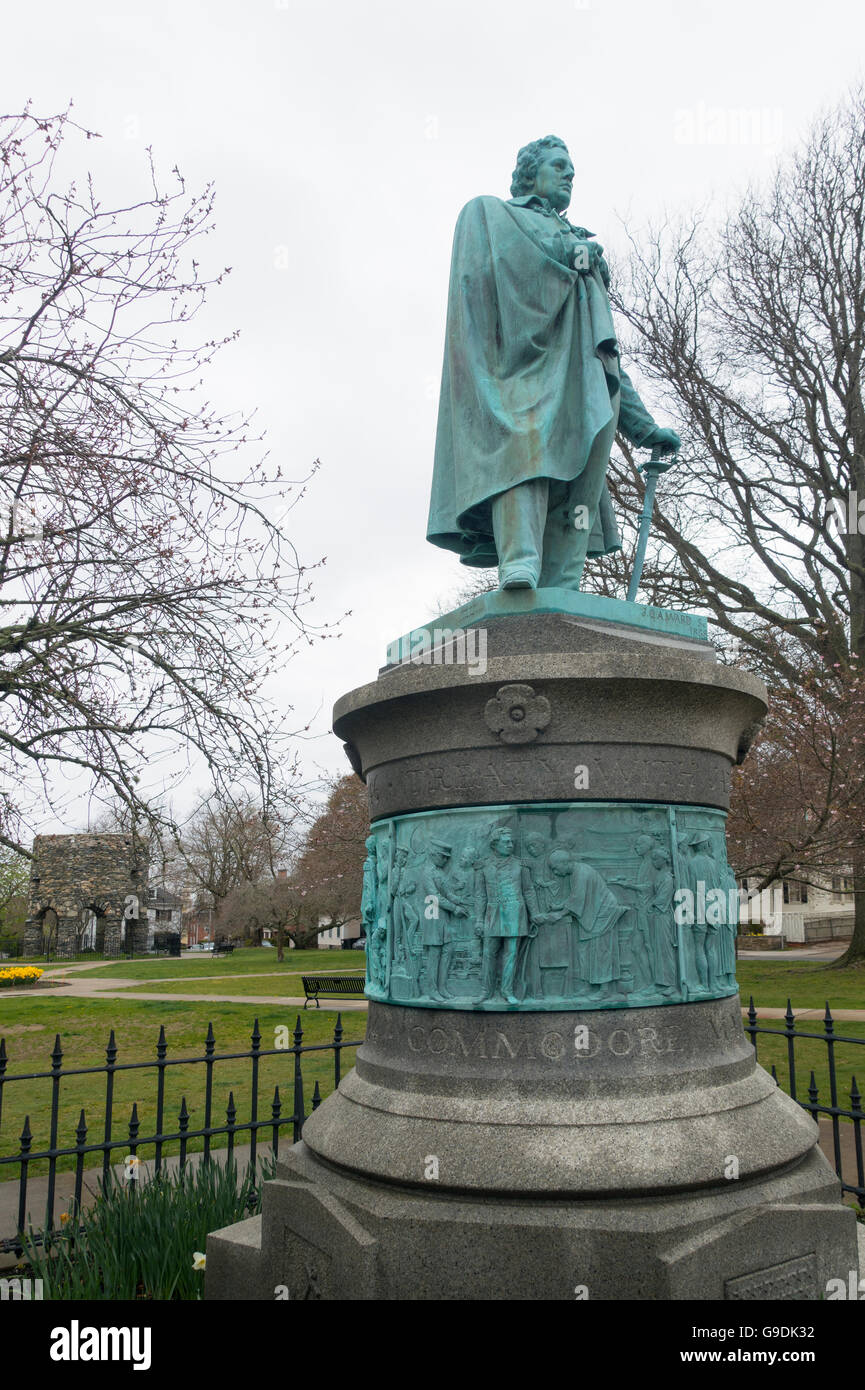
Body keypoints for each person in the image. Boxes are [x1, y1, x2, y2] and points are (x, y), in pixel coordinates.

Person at [427, 135, 680, 591]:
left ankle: (563, 585)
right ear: (531, 172)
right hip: (519, 372)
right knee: (525, 454)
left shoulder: (582, 242)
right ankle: (519, 561)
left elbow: (605, 353)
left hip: (582, 389)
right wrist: (566, 258)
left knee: (579, 483)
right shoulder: (497, 216)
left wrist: (643, 429)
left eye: (572, 171)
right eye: (559, 165)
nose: (569, 175)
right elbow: (499, 269)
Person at [473, 826, 531, 1005]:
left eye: (512, 841)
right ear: (494, 844)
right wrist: (479, 920)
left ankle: (507, 991)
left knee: (511, 954)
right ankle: (485, 991)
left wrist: (535, 914)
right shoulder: (483, 866)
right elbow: (480, 895)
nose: (511, 845)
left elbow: (529, 891)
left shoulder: (520, 865)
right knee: (488, 953)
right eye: (506, 842)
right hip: (493, 913)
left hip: (515, 913)